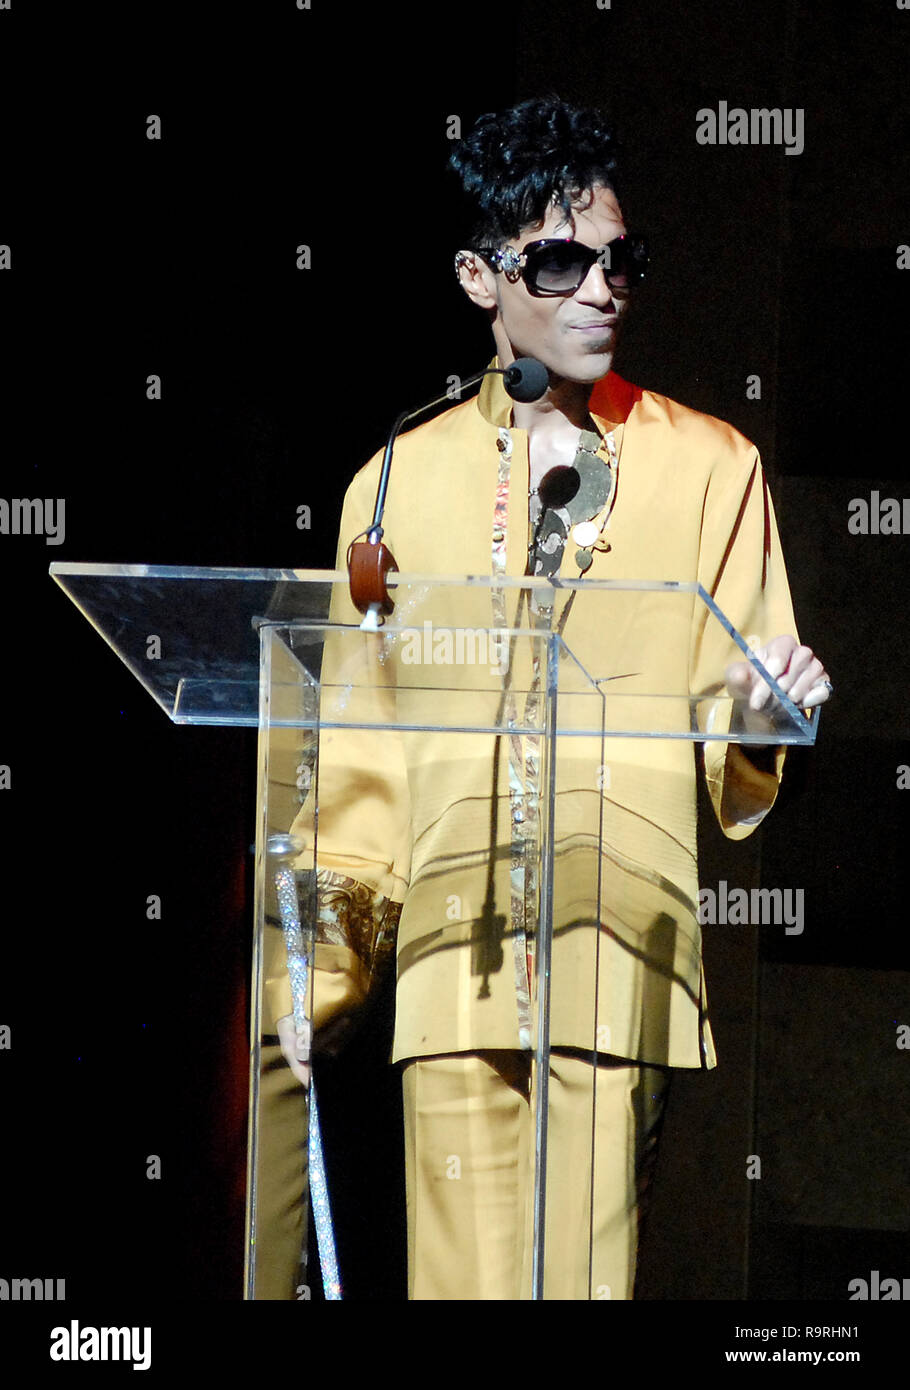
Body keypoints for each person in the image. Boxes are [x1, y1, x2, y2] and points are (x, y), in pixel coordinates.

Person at [270, 95, 832, 1300]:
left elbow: (739, 715)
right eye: (562, 260)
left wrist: (756, 712)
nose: (601, 288)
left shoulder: (709, 465)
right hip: (446, 966)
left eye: (620, 259)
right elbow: (359, 754)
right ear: (481, 278)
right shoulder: (393, 481)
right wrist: (313, 987)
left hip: (616, 955)